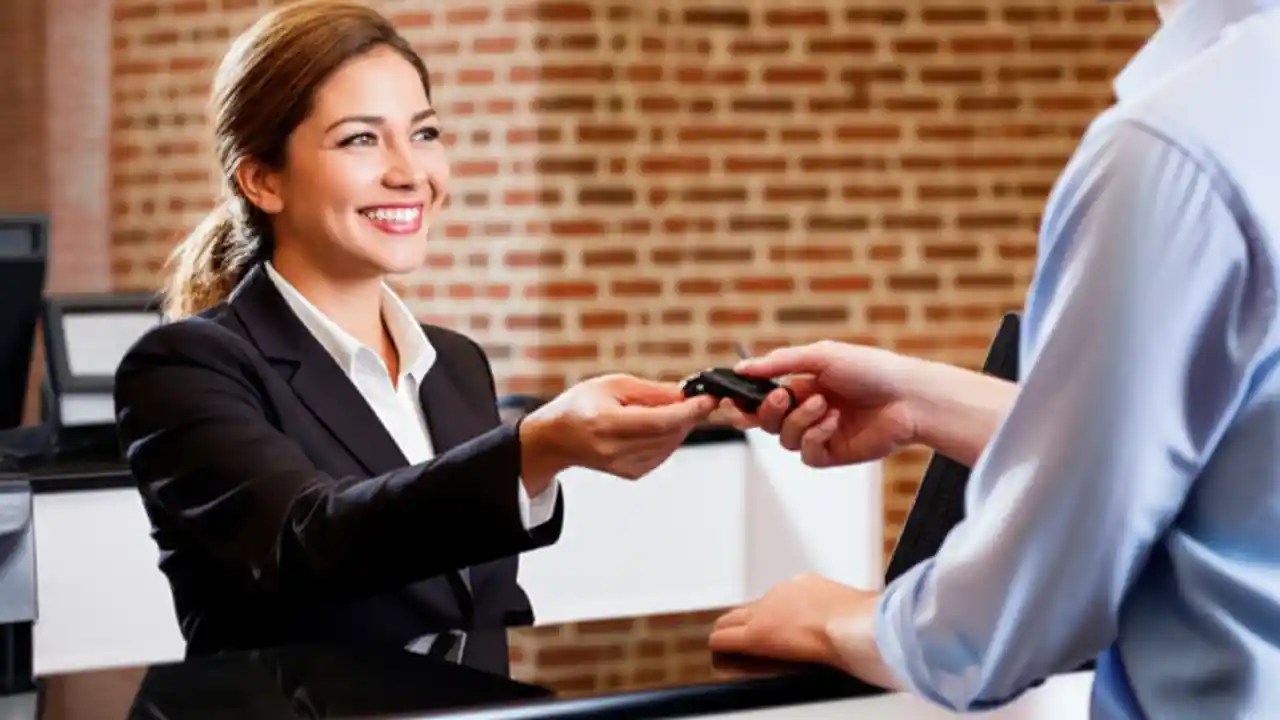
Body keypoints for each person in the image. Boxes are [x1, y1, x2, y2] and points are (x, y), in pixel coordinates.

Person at [708, 0, 1280, 717]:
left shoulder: (1178, 146)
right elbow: (1237, 460)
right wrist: (920, 402)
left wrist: (836, 617)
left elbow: (1023, 613)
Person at [113, 1, 714, 668]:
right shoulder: (185, 367)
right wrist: (534, 449)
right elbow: (310, 543)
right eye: (360, 140)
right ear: (262, 179)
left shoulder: (454, 364)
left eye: (424, 133)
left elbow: (481, 606)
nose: (409, 172)